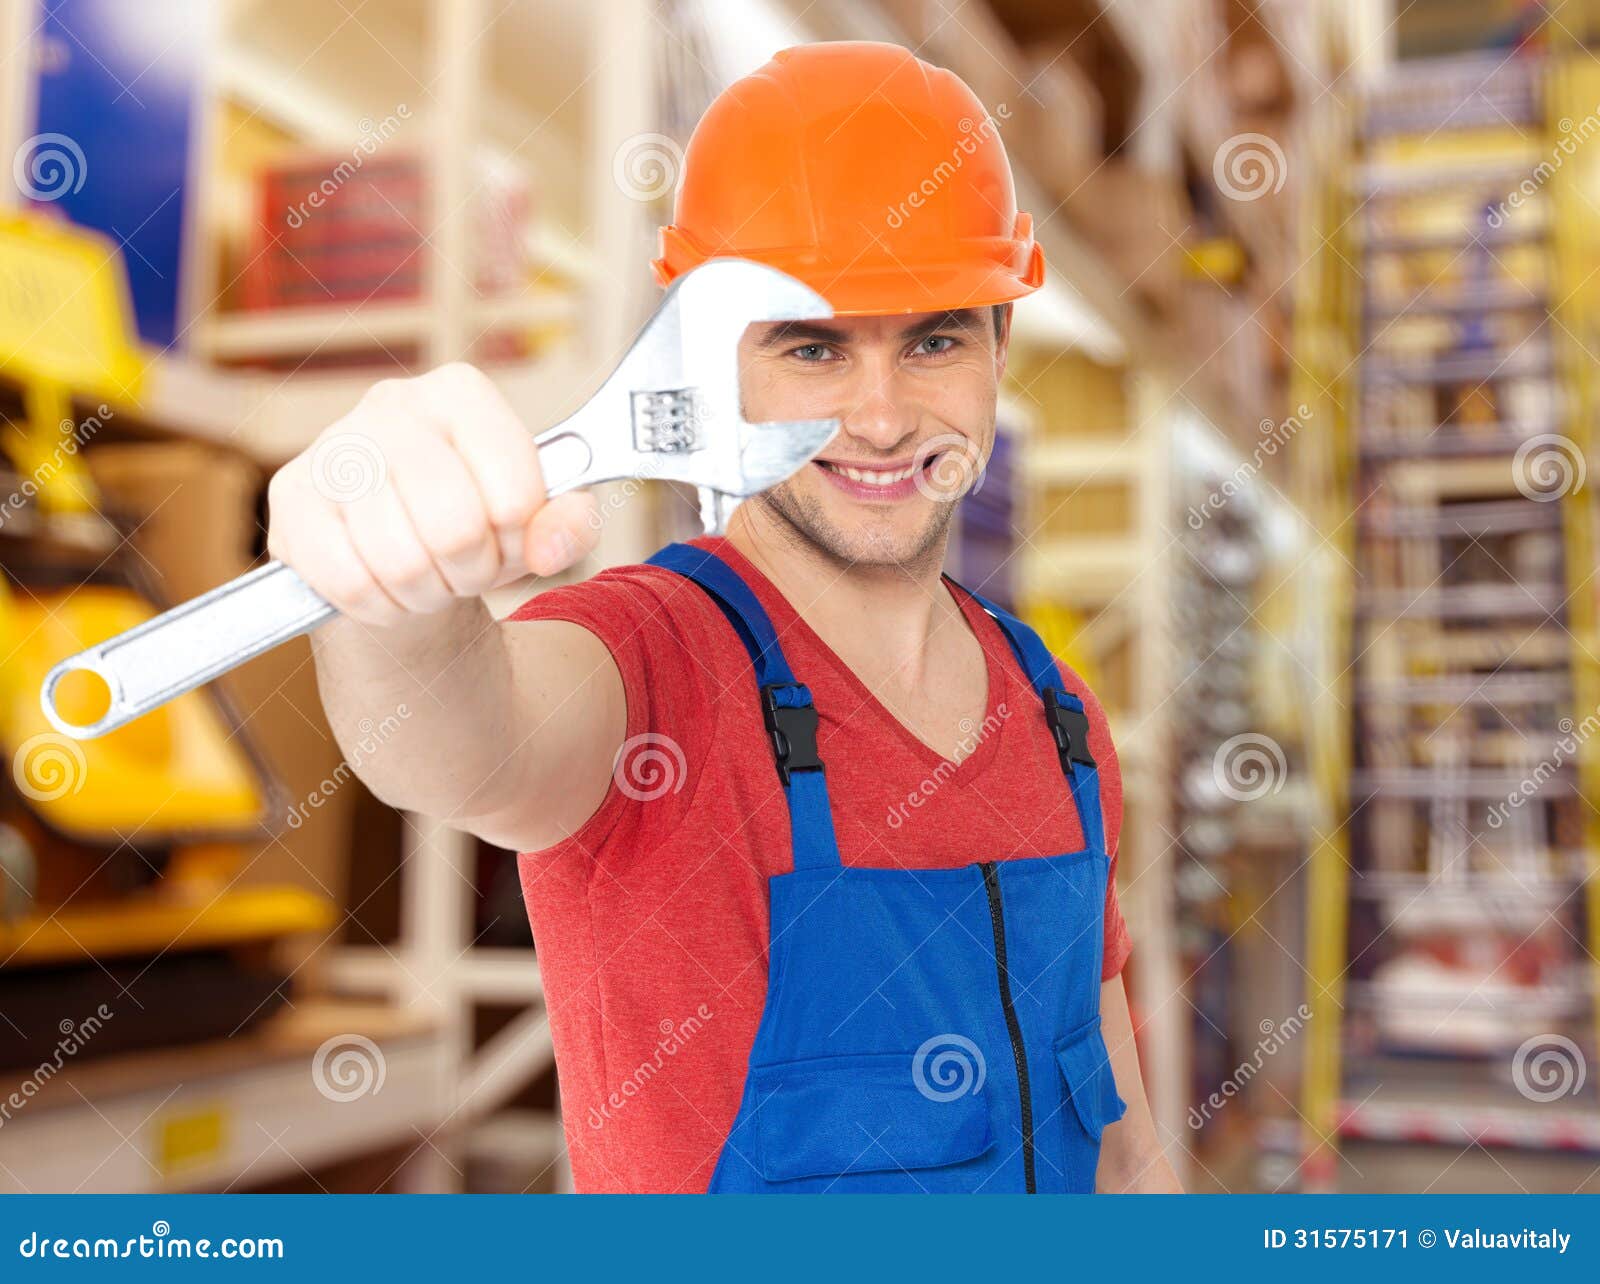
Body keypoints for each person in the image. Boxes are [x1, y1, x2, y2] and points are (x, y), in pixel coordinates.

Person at [269, 40, 1180, 1194]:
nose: (884, 415)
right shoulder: (653, 662)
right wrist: (388, 603)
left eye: (934, 339)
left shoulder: (1062, 720)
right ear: (716, 372)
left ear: (1000, 350)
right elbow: (458, 744)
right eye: (813, 348)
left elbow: (1130, 1150)